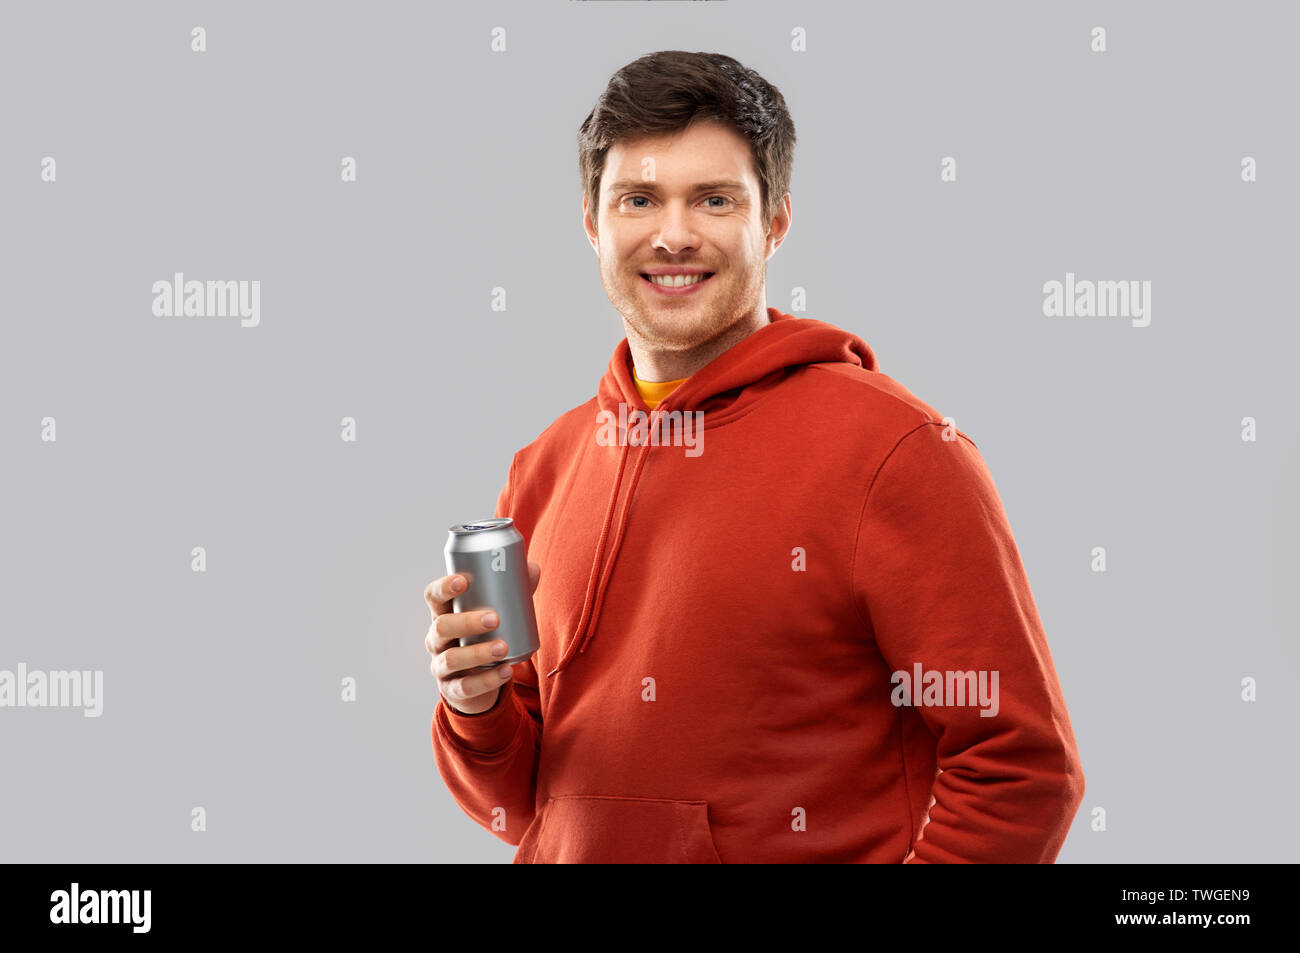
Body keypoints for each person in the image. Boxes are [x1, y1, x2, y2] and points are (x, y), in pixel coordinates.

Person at [424, 50, 1085, 863]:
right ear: (593, 224)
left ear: (773, 222)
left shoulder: (897, 452)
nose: (673, 234)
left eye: (713, 199)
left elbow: (1023, 769)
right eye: (639, 199)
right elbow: (527, 805)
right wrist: (477, 706)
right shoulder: (546, 465)